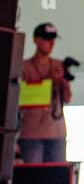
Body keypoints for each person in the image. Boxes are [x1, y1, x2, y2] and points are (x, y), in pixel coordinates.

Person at [19, 22, 71, 163]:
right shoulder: (24, 67)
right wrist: (50, 81)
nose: (51, 43)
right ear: (36, 40)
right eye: (47, 39)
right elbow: (23, 98)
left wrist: (62, 81)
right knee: (32, 176)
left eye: (53, 39)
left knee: (55, 177)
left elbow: (67, 98)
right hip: (31, 131)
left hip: (57, 131)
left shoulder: (58, 65)